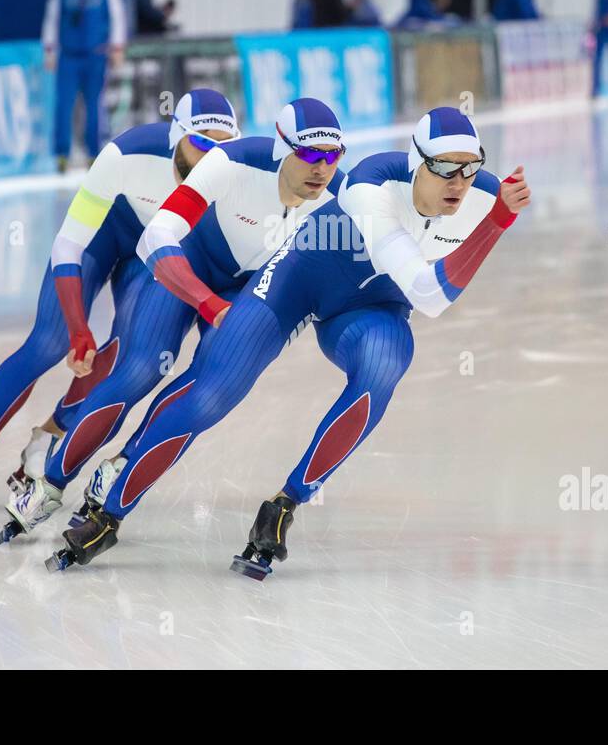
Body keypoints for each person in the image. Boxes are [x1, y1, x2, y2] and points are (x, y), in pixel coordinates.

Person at [55, 108, 530, 576]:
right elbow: (429, 294)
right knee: (213, 393)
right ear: (415, 163)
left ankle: (284, 505)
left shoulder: (486, 197)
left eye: (471, 166)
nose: (459, 180)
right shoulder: (371, 185)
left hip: (371, 310)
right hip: (300, 280)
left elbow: (422, 295)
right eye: (444, 167)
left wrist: (495, 213)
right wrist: (497, 222)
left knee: (386, 366)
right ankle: (108, 514)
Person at [5, 98, 349, 537]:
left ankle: (123, 463)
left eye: (333, 155)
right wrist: (207, 302)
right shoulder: (229, 162)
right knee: (141, 370)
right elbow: (154, 239)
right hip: (187, 266)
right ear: (283, 149)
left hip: (245, 286)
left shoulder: (339, 196)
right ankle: (51, 483)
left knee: (209, 389)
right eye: (310, 154)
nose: (323, 168)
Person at [0, 90, 239, 507]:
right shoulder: (126, 155)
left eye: (223, 147)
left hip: (150, 254)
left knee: (131, 352)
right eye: (199, 143)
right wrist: (76, 326)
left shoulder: (230, 175)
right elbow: (68, 247)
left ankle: (50, 436)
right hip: (100, 237)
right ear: (176, 136)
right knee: (50, 342)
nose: (208, 158)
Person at [42, 0, 127, 172]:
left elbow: (116, 16)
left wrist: (117, 47)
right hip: (68, 55)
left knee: (94, 105)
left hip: (96, 55)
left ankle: (94, 152)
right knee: (64, 104)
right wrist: (49, 49)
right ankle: (62, 154)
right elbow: (52, 18)